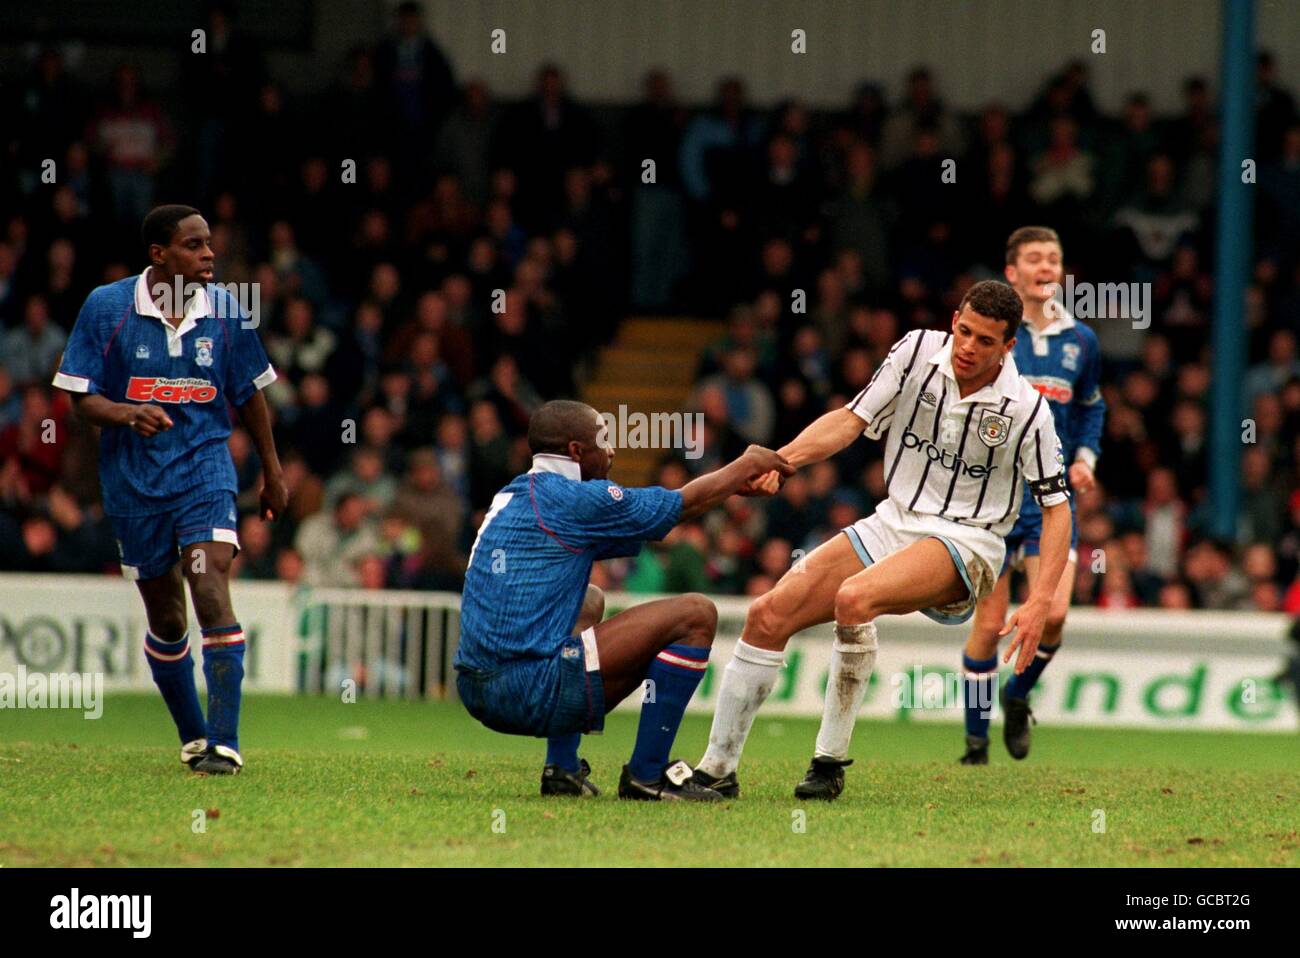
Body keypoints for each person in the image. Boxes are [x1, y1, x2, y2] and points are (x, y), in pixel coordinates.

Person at [693, 280, 1072, 801]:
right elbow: (852, 421)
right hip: (892, 520)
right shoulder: (916, 350)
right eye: (963, 331)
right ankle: (717, 771)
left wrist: (1040, 600)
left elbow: (1057, 508)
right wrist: (783, 464)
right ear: (953, 320)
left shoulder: (1028, 410)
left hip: (970, 540)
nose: (967, 347)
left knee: (855, 597)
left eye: (985, 341)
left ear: (1007, 347)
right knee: (767, 614)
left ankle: (828, 763)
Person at [453, 399, 791, 800]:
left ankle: (561, 770)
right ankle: (647, 776)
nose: (612, 451)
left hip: (475, 689)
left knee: (590, 600)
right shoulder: (577, 499)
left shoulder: (513, 496)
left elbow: (670, 514)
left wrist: (730, 488)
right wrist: (745, 464)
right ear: (576, 450)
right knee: (696, 614)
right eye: (604, 440)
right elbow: (679, 506)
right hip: (531, 692)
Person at [51, 205, 286, 775]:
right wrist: (128, 413)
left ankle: (225, 744)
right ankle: (193, 733)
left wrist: (272, 468)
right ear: (159, 254)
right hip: (133, 482)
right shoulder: (106, 308)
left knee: (209, 586)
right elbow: (79, 398)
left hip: (204, 469)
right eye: (194, 244)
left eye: (209, 243)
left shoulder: (228, 311)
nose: (209, 254)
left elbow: (250, 392)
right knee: (167, 616)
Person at [958, 227, 1105, 765]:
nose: (1047, 266)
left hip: (1050, 498)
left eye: (1055, 258)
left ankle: (1016, 698)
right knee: (991, 623)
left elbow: (1091, 405)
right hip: (991, 501)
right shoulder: (993, 335)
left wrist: (1086, 457)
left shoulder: (1081, 340)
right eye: (1036, 258)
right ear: (1012, 271)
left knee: (1056, 614)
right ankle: (975, 742)